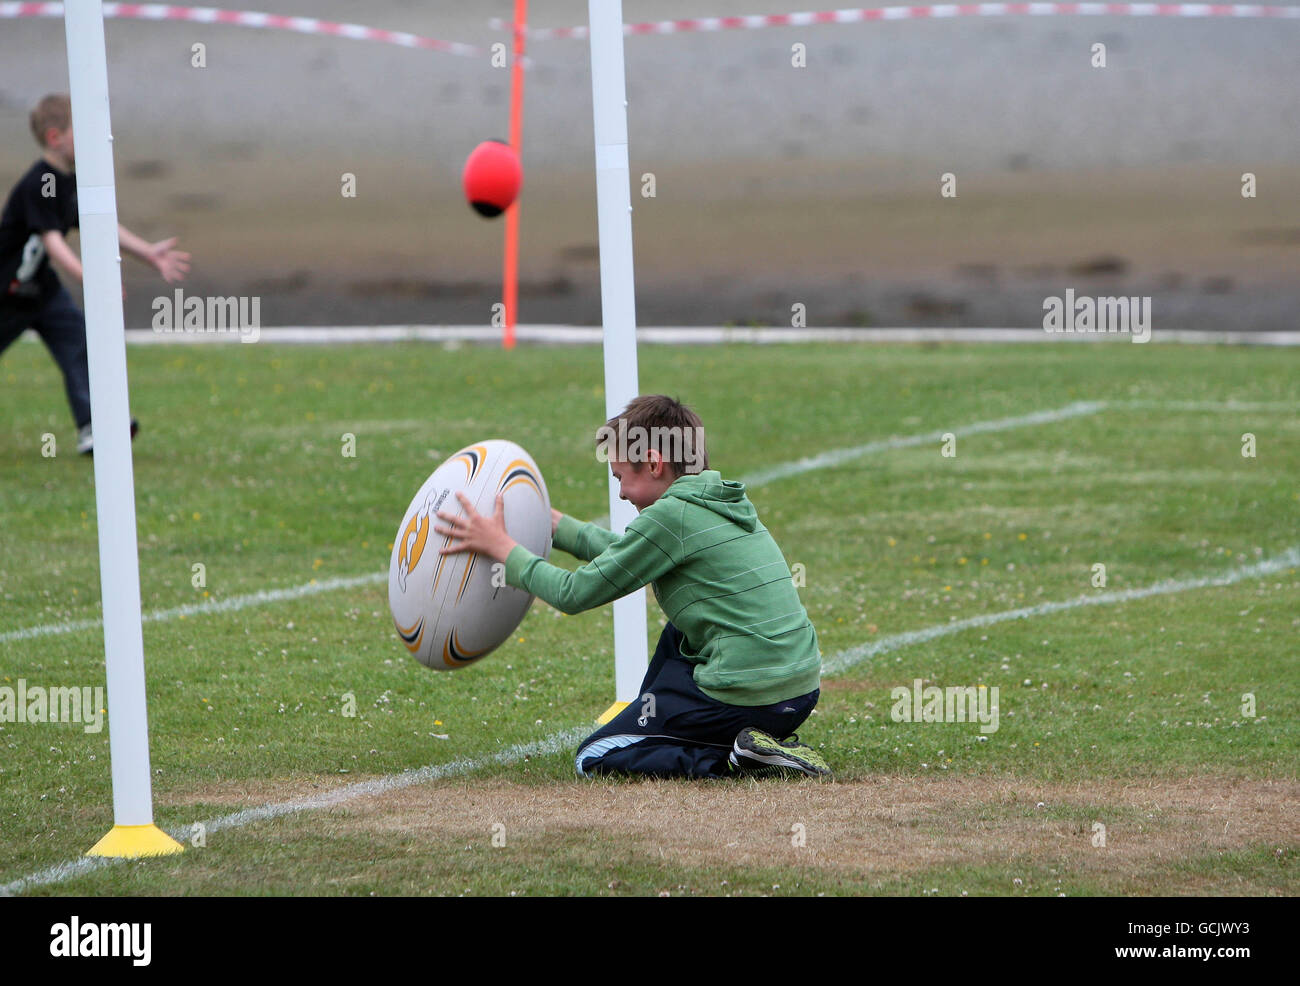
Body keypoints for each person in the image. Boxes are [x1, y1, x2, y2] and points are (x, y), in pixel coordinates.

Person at [435, 394, 831, 780]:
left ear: (654, 464)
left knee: (596, 755)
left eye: (621, 477)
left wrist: (502, 549)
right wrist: (555, 525)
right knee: (679, 635)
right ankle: (745, 742)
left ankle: (731, 759)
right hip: (797, 694)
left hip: (745, 696)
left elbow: (574, 593)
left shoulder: (670, 517)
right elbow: (627, 556)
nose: (621, 492)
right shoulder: (715, 501)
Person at [0, 93, 190, 454]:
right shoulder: (40, 183)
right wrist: (92, 278)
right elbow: (53, 242)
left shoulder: (72, 180)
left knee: (79, 344)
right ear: (56, 137)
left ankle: (94, 424)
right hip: (6, 292)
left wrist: (148, 253)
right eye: (82, 131)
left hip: (41, 292)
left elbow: (101, 226)